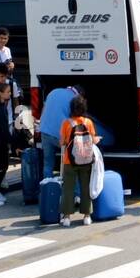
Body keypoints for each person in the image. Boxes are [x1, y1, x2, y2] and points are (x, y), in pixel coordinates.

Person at [59, 94, 100, 226]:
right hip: (86, 160)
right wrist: (97, 139)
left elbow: (62, 142)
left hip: (69, 161)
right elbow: (93, 140)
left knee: (68, 189)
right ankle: (87, 216)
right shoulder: (88, 123)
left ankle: (66, 217)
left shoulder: (66, 123)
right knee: (85, 187)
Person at [39, 83, 79, 178]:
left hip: (45, 131)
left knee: (48, 164)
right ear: (79, 93)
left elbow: (43, 110)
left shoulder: (53, 91)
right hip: (60, 134)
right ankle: (74, 189)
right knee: (70, 161)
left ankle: (47, 188)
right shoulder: (75, 99)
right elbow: (75, 119)